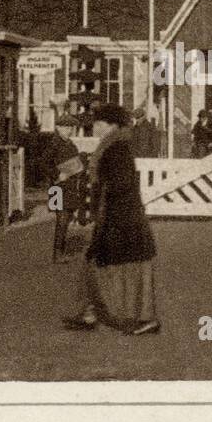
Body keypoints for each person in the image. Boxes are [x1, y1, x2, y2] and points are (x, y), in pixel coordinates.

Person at [64, 103, 160, 335]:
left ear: (111, 125)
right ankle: (89, 312)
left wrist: (101, 205)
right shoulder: (111, 146)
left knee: (116, 267)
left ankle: (143, 318)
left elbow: (119, 184)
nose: (95, 127)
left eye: (99, 123)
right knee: (96, 262)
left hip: (121, 218)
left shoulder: (115, 148)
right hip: (117, 216)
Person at [40, 120, 86, 264]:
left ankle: (60, 252)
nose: (69, 130)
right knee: (62, 219)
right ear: (58, 128)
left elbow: (75, 163)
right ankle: (57, 254)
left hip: (70, 186)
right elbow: (43, 163)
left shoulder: (70, 144)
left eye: (71, 127)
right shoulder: (54, 144)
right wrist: (56, 175)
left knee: (65, 218)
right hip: (57, 186)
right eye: (66, 127)